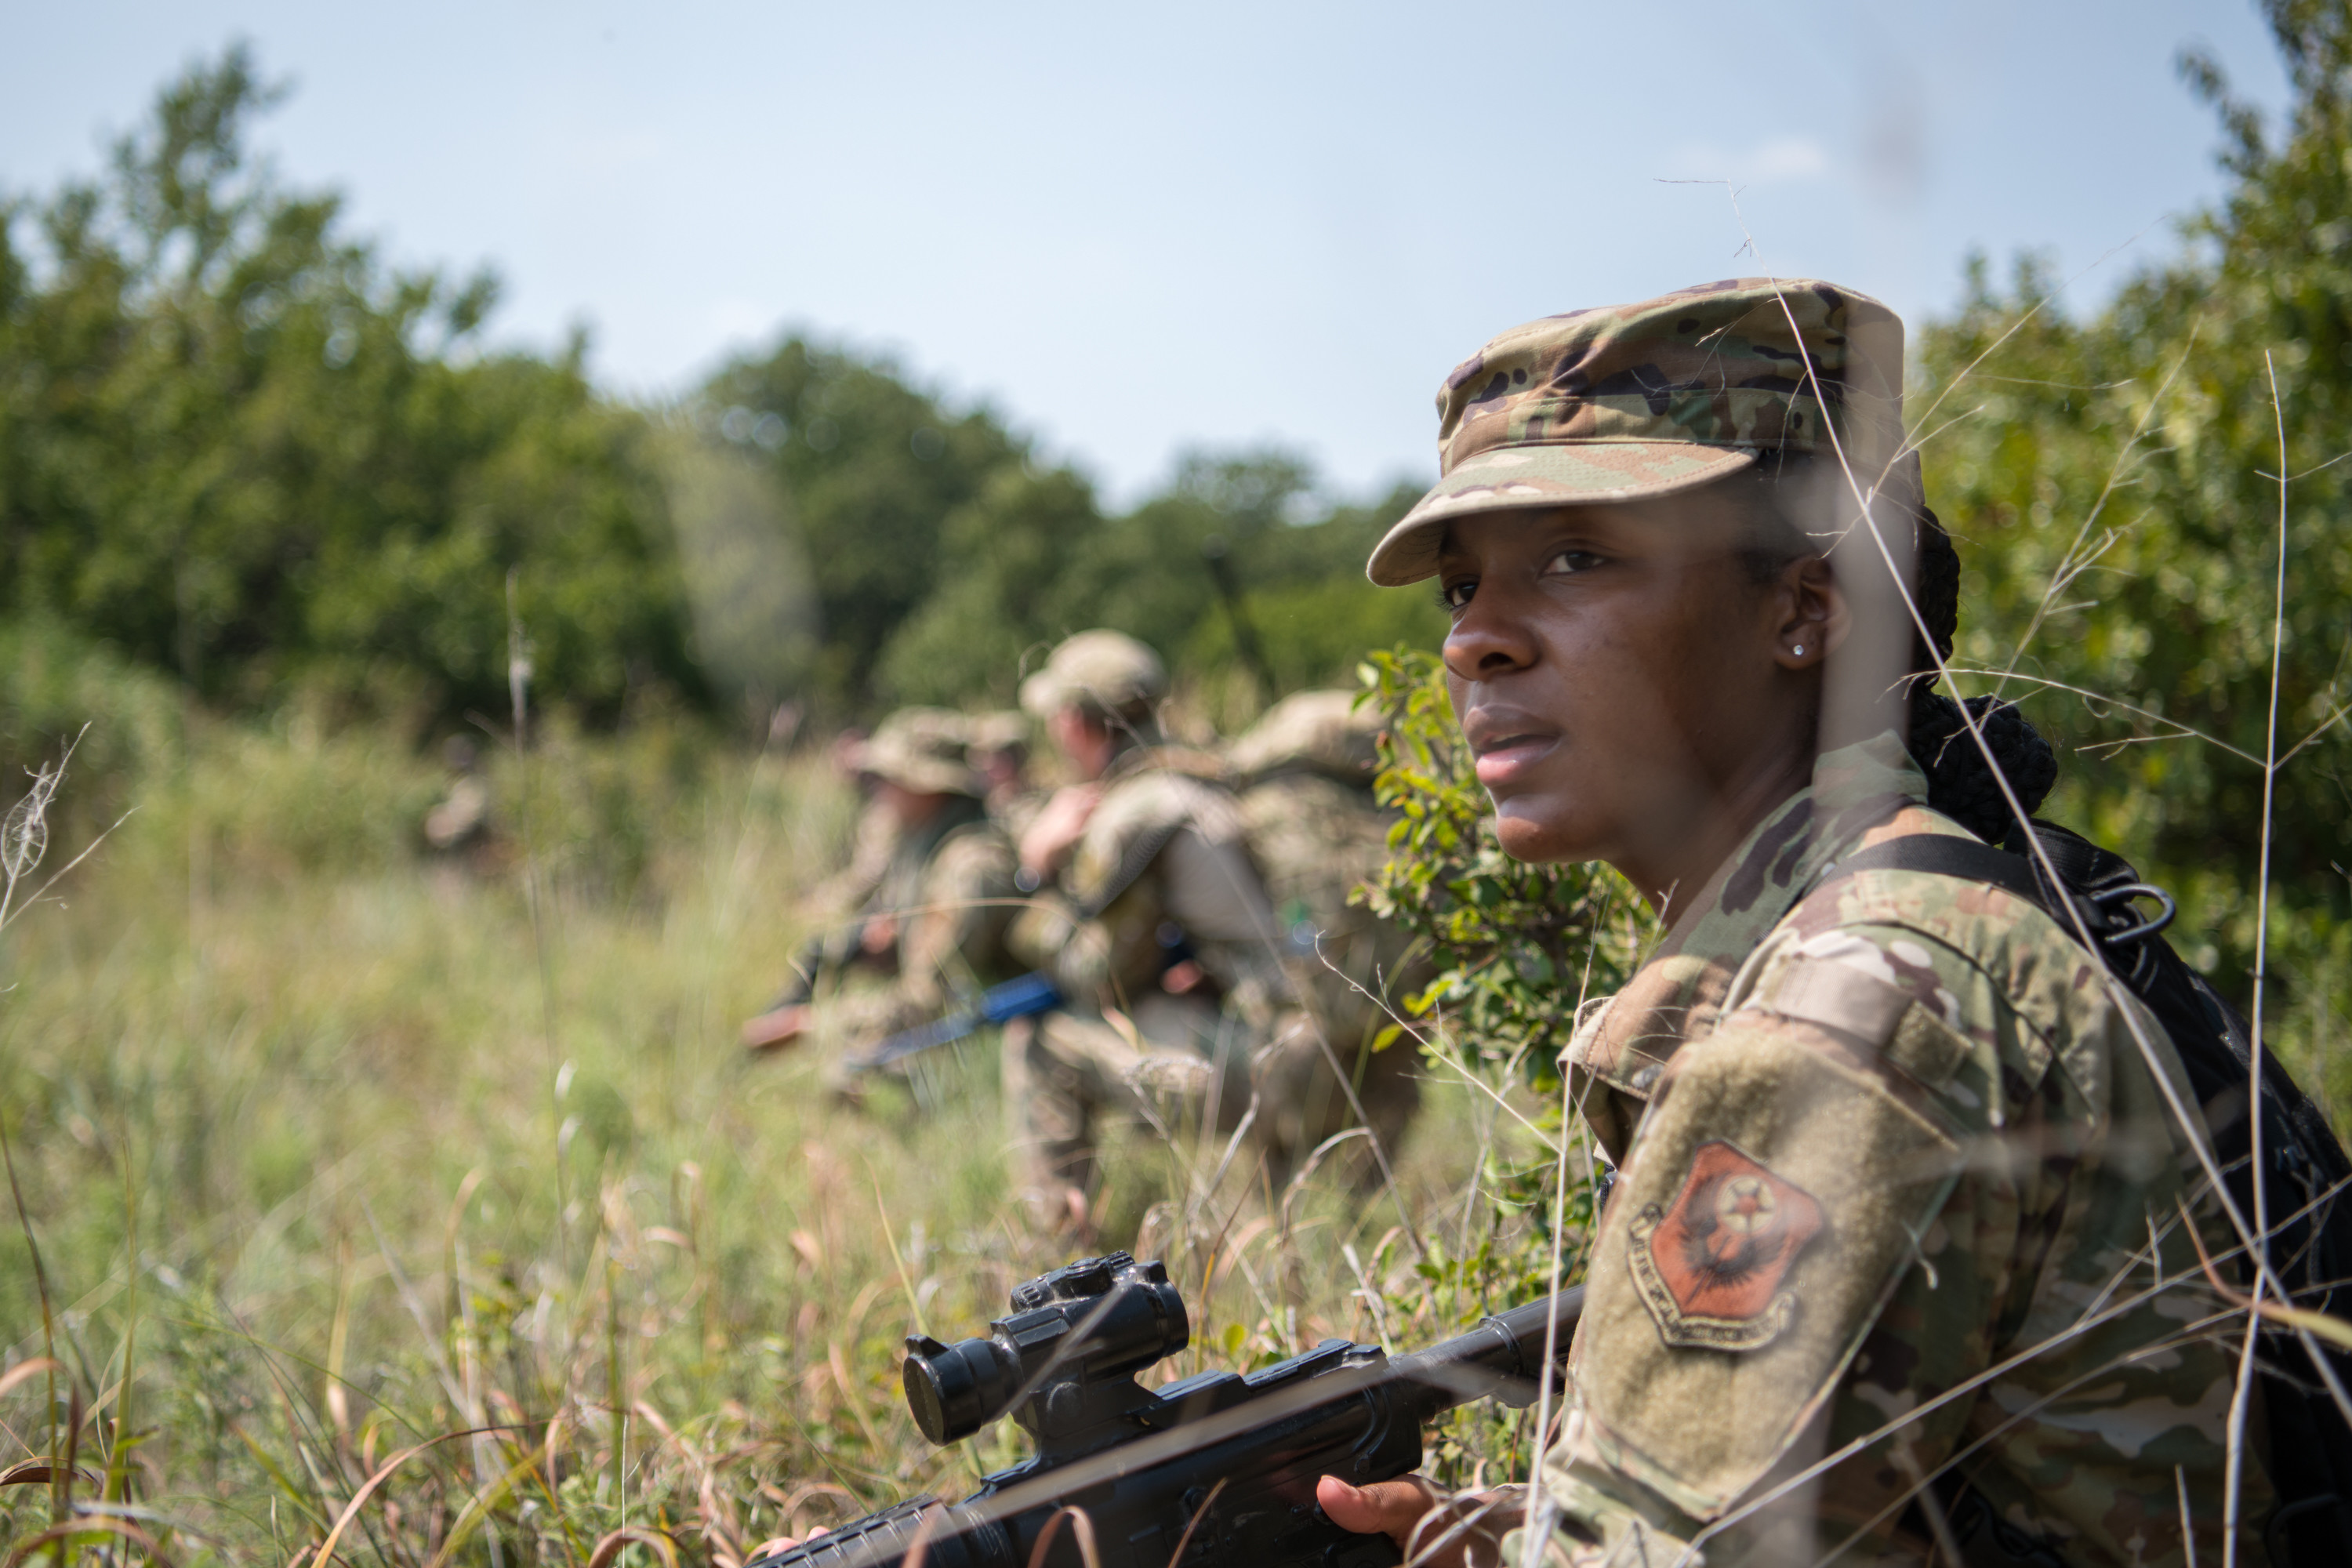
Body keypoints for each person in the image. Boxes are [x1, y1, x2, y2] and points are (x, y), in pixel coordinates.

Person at [1314, 279, 2270, 1566]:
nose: (1476, 641)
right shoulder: (1944, 900)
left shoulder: (1857, 1001)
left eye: (1576, 557)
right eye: (1460, 591)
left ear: (1810, 609)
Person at [1001, 630, 1290, 1229]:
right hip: (1316, 1041)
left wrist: (1035, 869)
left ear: (1077, 725)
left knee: (1038, 1041)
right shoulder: (1206, 776)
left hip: (1262, 1063)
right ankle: (1282, 1221)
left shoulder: (1135, 809)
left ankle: (1058, 1263)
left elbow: (1093, 976)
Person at [740, 708, 1020, 1103]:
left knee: (852, 1061)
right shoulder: (924, 842)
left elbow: (935, 1002)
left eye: (890, 776)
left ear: (927, 785)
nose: (878, 787)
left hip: (988, 1045)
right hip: (966, 1028)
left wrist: (812, 1026)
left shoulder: (967, 867)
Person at [1225, 688, 1425, 1179]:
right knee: (1367, 1203)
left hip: (1297, 1051)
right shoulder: (1403, 817)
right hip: (1398, 1040)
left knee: (1279, 1198)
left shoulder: (1258, 813)